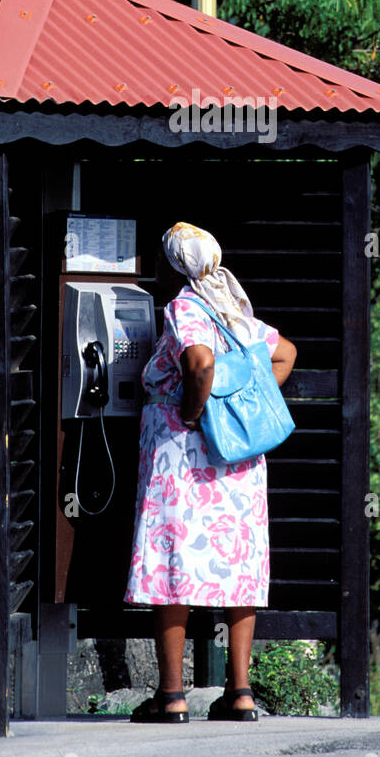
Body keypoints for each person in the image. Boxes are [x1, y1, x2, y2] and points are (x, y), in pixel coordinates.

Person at [125, 221, 296, 722]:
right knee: (239, 567)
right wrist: (245, 405)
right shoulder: (234, 310)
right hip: (239, 463)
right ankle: (240, 694)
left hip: (185, 458)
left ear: (174, 266)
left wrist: (199, 412)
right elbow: (284, 353)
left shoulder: (185, 308)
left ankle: (172, 696)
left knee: (174, 564)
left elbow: (199, 366)